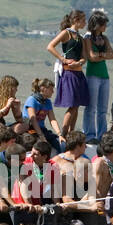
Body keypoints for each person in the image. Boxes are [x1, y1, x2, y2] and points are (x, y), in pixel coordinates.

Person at [47, 10, 87, 138]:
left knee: (76, 105)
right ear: (76, 20)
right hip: (69, 73)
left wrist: (79, 62)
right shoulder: (66, 33)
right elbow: (50, 46)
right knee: (72, 105)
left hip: (78, 73)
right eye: (83, 20)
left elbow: (84, 57)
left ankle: (71, 132)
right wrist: (63, 59)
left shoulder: (80, 38)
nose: (85, 22)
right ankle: (64, 133)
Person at [83, 10, 113, 141]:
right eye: (103, 24)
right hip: (92, 75)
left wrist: (100, 56)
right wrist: (104, 55)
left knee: (102, 109)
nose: (105, 27)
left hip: (104, 76)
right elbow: (91, 57)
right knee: (91, 107)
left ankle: (102, 134)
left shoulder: (104, 39)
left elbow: (112, 55)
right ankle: (89, 134)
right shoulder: (87, 38)